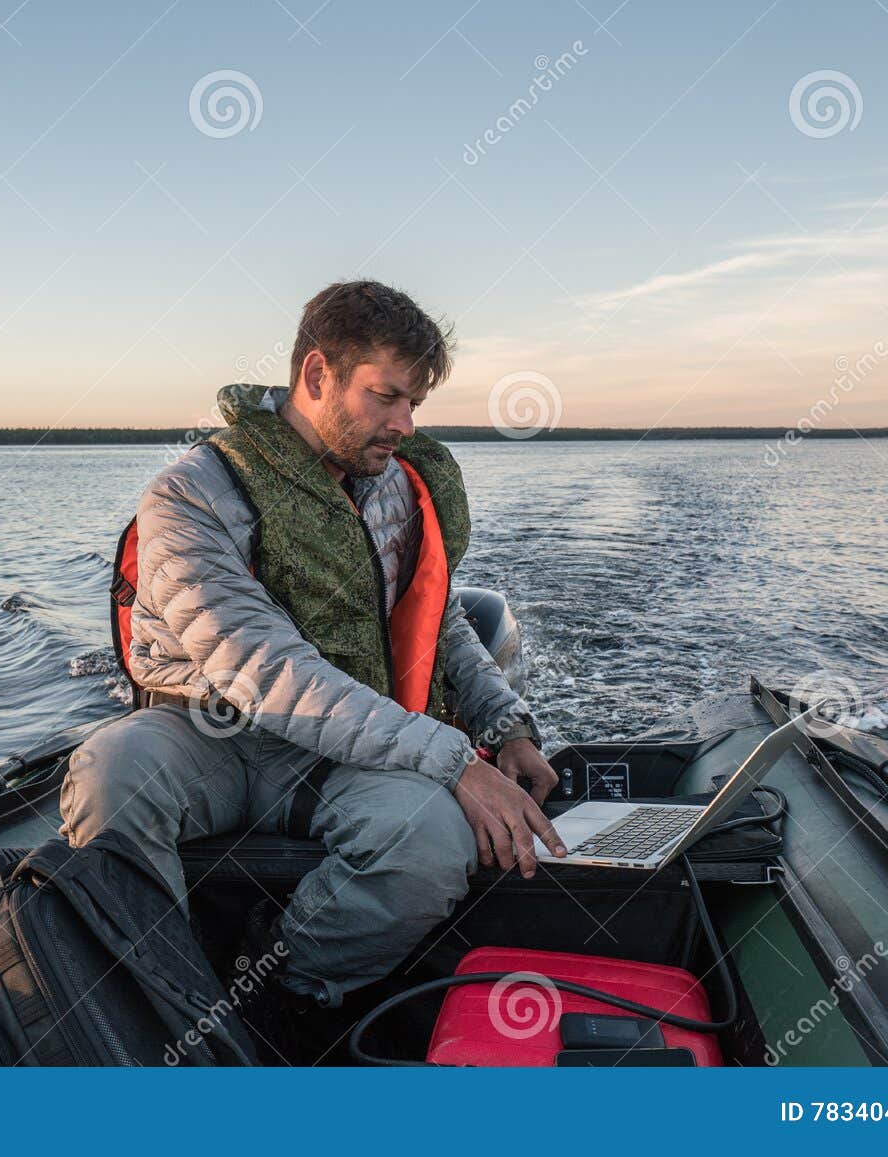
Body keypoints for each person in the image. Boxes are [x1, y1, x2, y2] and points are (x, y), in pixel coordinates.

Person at [59, 279, 566, 1026]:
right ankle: (156, 1004)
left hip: (341, 747)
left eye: (415, 404)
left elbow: (438, 619)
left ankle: (276, 996)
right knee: (111, 774)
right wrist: (453, 761)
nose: (404, 423)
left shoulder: (393, 486)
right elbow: (263, 671)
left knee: (428, 844)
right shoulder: (191, 495)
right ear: (317, 374)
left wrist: (503, 725)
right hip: (210, 731)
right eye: (386, 396)